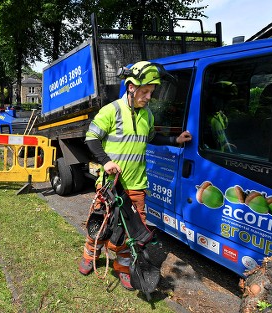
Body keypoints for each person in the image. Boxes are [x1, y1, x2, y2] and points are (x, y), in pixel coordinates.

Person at [78, 61, 192, 290]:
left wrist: (174, 140)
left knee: (131, 233)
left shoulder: (147, 115)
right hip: (110, 185)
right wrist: (106, 161)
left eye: (151, 92)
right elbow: (91, 138)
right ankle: (90, 255)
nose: (149, 96)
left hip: (136, 186)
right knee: (101, 225)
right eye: (145, 91)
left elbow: (151, 138)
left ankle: (123, 268)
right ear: (131, 87)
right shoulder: (112, 110)